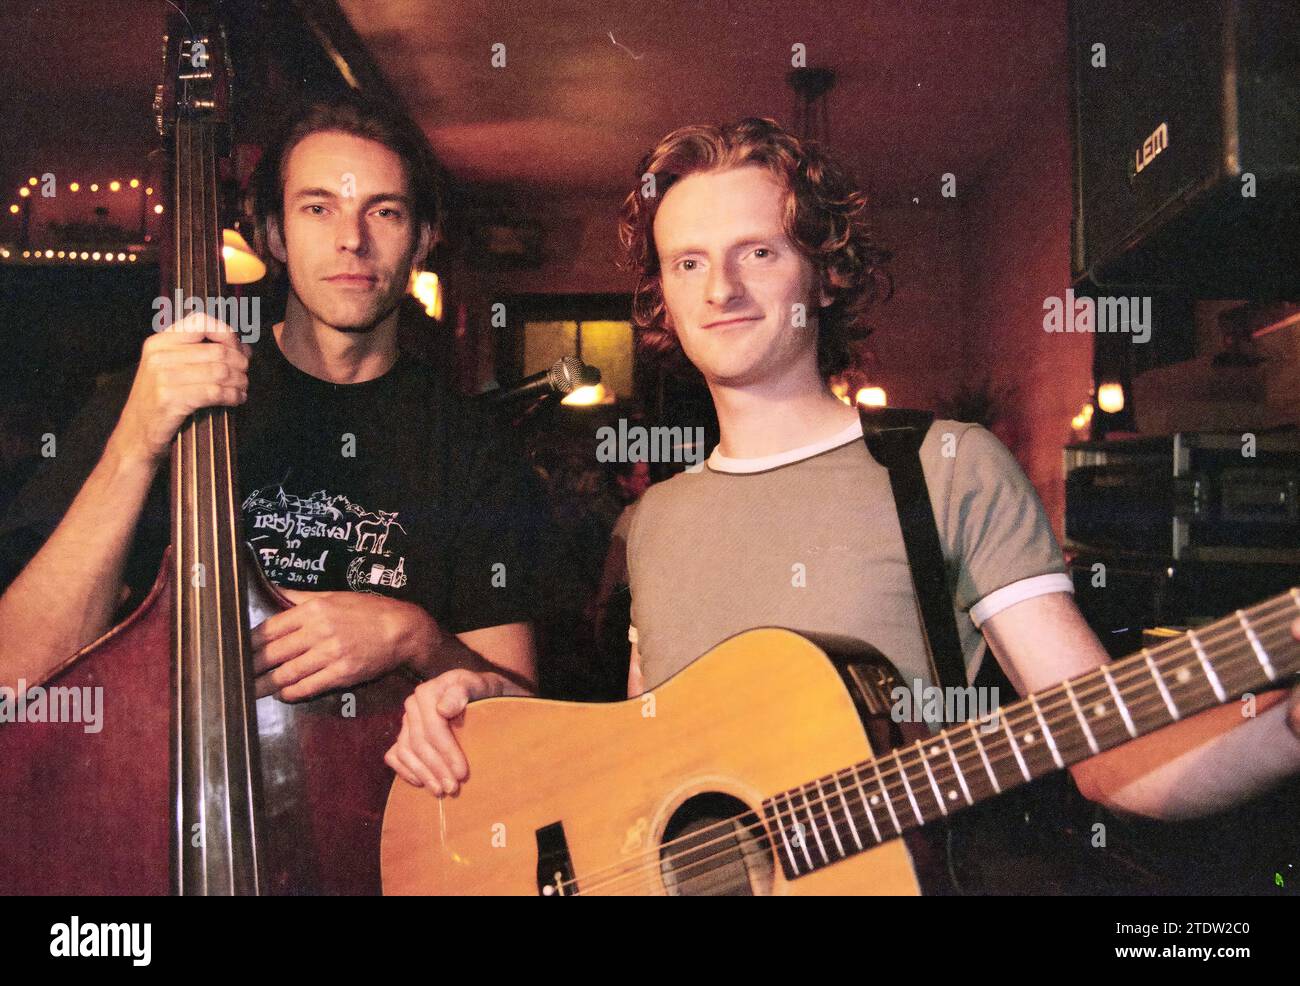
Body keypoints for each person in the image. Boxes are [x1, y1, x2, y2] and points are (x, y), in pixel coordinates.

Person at [388, 117, 1300, 825]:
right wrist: (486, 707)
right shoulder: (655, 520)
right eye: (688, 263)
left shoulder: (944, 468)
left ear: (823, 275)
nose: (721, 291)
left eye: (759, 252)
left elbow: (1111, 758)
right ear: (661, 297)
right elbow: (641, 786)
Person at [0, 94, 541, 735]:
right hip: (152, 803)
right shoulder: (156, 398)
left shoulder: (473, 444)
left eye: (384, 212)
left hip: (392, 821)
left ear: (421, 238)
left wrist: (413, 637)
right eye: (318, 208)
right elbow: (15, 676)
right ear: (274, 233)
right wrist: (134, 446)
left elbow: (521, 717)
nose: (351, 240)